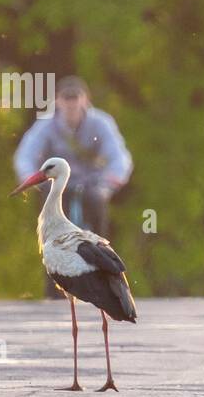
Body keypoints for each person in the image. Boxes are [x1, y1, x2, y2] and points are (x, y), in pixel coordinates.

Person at [14, 76, 133, 298]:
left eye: (75, 97)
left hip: (93, 184)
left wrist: (109, 183)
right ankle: (53, 283)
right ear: (57, 101)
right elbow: (25, 155)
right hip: (58, 186)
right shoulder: (45, 125)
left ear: (85, 100)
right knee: (49, 226)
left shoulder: (102, 123)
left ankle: (103, 262)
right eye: (65, 98)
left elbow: (120, 158)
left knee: (97, 207)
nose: (70, 103)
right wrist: (29, 179)